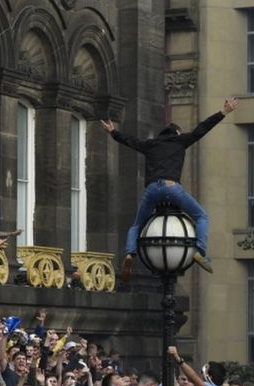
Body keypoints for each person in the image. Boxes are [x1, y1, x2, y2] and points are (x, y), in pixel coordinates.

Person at [100, 97, 239, 282]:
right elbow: (202, 129)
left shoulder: (151, 145)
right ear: (177, 132)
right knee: (201, 216)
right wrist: (224, 111)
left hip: (151, 189)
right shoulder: (180, 141)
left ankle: (129, 253)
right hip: (172, 187)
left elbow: (130, 141)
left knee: (136, 225)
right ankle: (200, 251)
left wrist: (113, 132)